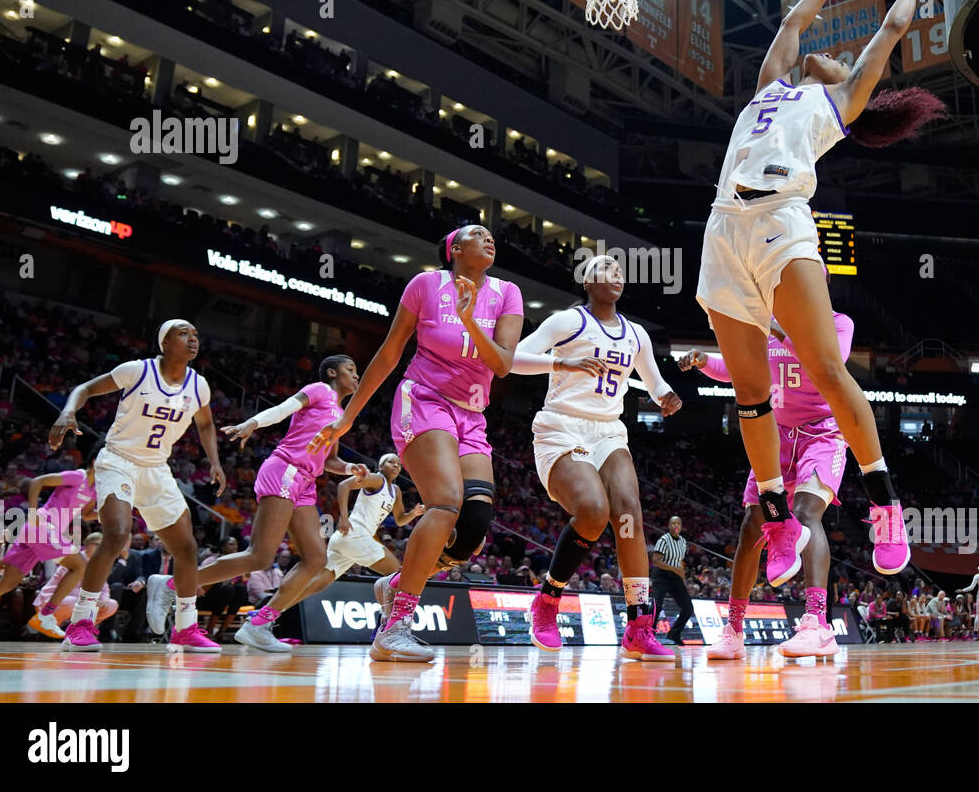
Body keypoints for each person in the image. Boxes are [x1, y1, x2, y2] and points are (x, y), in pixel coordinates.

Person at [693, 0, 942, 593]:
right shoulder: (771, 86)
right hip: (724, 227)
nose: (827, 56)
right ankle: (777, 522)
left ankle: (887, 508)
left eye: (836, 60)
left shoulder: (838, 103)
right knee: (750, 399)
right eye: (825, 56)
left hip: (780, 218)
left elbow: (891, 26)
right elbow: (794, 22)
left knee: (827, 370)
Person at [308, 225, 557, 662]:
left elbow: (500, 364)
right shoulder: (425, 284)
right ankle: (396, 625)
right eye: (478, 234)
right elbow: (388, 354)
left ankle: (396, 584)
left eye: (490, 234)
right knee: (444, 502)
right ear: (455, 250)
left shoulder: (507, 293)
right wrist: (348, 417)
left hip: (471, 415)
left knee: (473, 527)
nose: (490, 238)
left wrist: (467, 319)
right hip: (423, 401)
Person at [512, 256, 683, 660]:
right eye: (606, 269)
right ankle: (548, 602)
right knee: (592, 510)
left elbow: (655, 382)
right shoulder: (566, 322)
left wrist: (665, 397)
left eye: (621, 271)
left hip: (608, 430)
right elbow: (513, 361)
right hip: (561, 426)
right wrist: (560, 361)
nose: (616, 275)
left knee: (628, 511)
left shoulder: (636, 333)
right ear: (586, 281)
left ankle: (640, 624)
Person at [147, 355, 368, 645]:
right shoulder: (319, 390)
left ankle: (260, 623)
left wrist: (350, 468)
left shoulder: (340, 414)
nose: (356, 375)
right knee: (259, 556)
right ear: (331, 373)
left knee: (316, 559)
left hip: (306, 483)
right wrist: (253, 422)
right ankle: (173, 584)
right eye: (350, 369)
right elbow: (284, 408)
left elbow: (330, 459)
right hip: (285, 469)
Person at [683, 290, 852, 660]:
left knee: (808, 514)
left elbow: (829, 362)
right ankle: (734, 630)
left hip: (821, 433)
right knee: (751, 527)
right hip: (775, 437)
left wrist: (777, 330)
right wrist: (705, 361)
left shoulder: (838, 323)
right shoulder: (765, 327)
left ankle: (817, 624)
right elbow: (739, 370)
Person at [48, 319, 226, 652]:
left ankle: (186, 629)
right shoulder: (137, 371)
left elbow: (205, 424)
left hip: (157, 468)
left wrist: (214, 462)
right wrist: (68, 411)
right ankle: (80, 623)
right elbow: (85, 388)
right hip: (119, 460)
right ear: (165, 343)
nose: (193, 339)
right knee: (116, 534)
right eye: (184, 334)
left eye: (196, 334)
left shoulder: (198, 385)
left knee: (186, 548)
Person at [272, 453, 424, 653]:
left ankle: (269, 614)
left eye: (398, 464)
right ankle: (386, 631)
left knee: (316, 584)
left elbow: (399, 520)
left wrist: (413, 513)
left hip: (346, 541)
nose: (395, 465)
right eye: (390, 461)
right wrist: (344, 517)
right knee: (398, 573)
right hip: (354, 534)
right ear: (380, 464)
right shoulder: (376, 478)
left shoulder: (395, 490)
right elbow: (344, 486)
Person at [0, 448, 99, 639]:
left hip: (43, 532)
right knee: (79, 566)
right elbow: (38, 481)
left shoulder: (94, 490)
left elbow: (86, 514)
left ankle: (45, 616)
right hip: (42, 526)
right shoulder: (77, 476)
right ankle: (46, 615)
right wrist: (33, 512)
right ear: (94, 462)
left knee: (6, 584)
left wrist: (110, 514)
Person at [33, 533, 117, 637]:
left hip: (80, 601)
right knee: (73, 601)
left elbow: (104, 587)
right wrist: (91, 600)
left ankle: (80, 629)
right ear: (86, 544)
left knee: (111, 605)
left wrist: (103, 601)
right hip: (52, 600)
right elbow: (68, 588)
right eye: (96, 544)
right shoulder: (75, 560)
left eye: (101, 546)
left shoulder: (98, 563)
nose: (99, 548)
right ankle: (49, 626)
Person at [651, 516, 694, 647]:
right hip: (661, 575)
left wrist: (681, 576)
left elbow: (678, 561)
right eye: (673, 523)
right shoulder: (663, 539)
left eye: (678, 523)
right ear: (669, 526)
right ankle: (649, 634)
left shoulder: (683, 542)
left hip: (675, 577)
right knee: (656, 606)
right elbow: (656, 560)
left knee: (688, 608)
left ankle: (674, 633)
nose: (676, 525)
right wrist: (675, 569)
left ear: (681, 526)